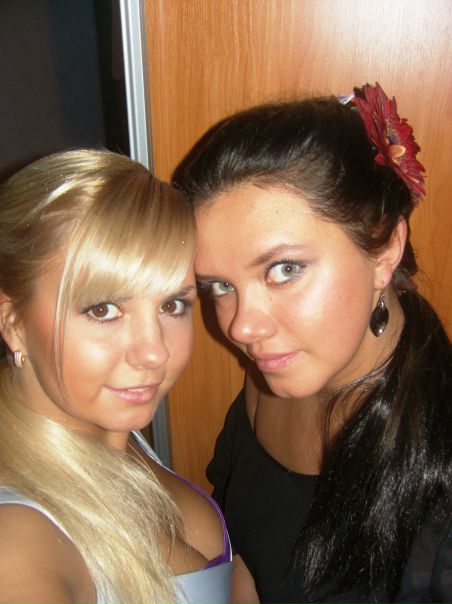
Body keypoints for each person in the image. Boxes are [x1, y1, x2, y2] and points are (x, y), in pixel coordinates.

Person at [173, 83, 452, 603]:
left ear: (385, 249)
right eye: (220, 286)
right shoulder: (267, 379)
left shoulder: (438, 482)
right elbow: (238, 538)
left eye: (284, 269)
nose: (241, 328)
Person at [0, 149, 232, 604]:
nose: (154, 352)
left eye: (172, 304)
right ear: (13, 323)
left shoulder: (107, 425)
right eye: (103, 309)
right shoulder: (18, 541)